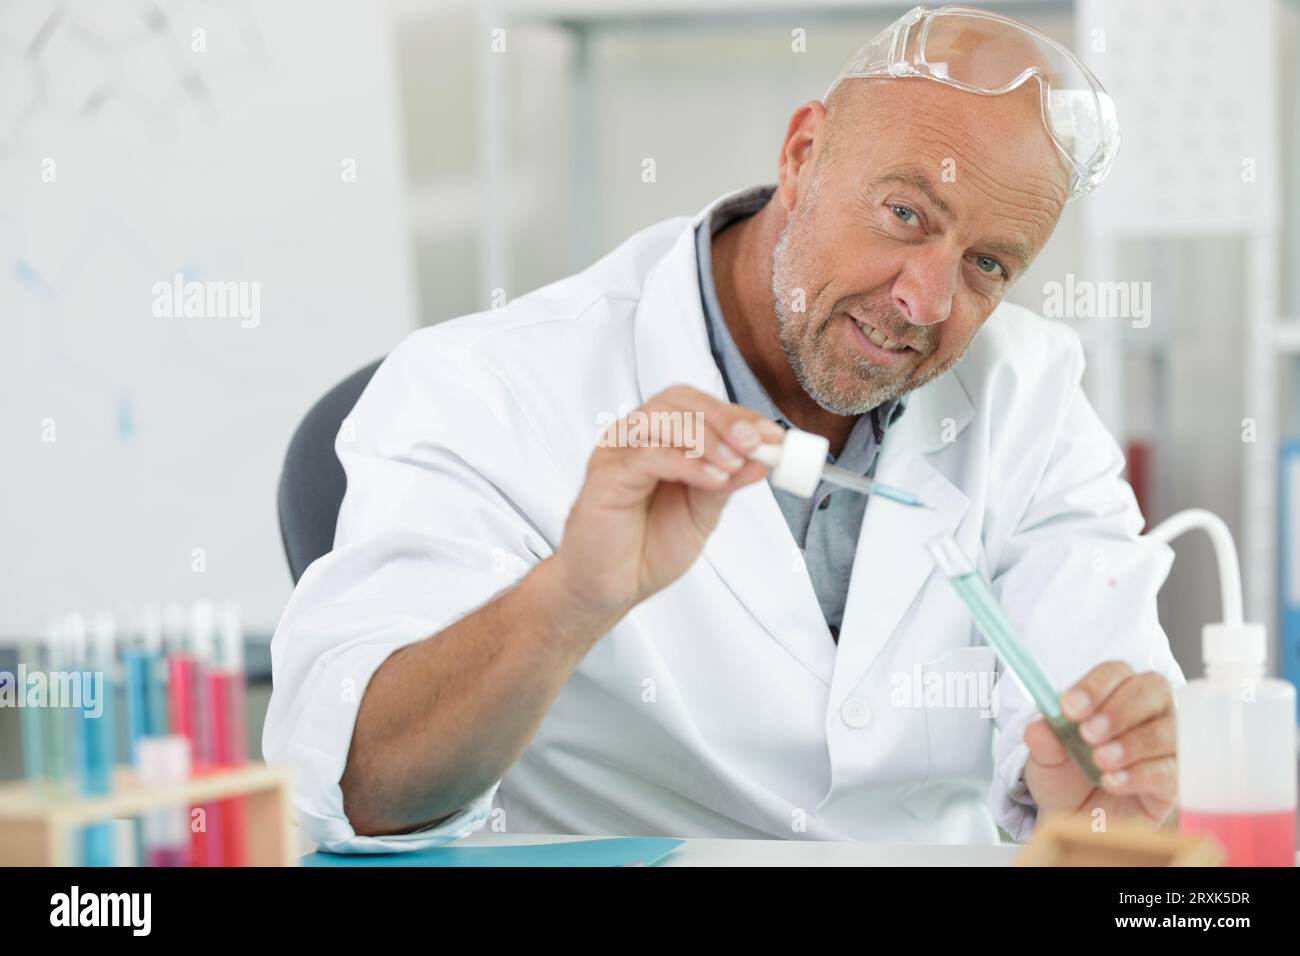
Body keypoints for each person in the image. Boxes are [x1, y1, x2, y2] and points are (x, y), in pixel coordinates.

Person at [265, 5, 1182, 852]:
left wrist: (1097, 794)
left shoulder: (1033, 394)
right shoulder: (485, 386)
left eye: (987, 264)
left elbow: (1108, 741)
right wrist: (571, 596)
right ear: (803, 154)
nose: (924, 300)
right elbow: (357, 789)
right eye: (905, 214)